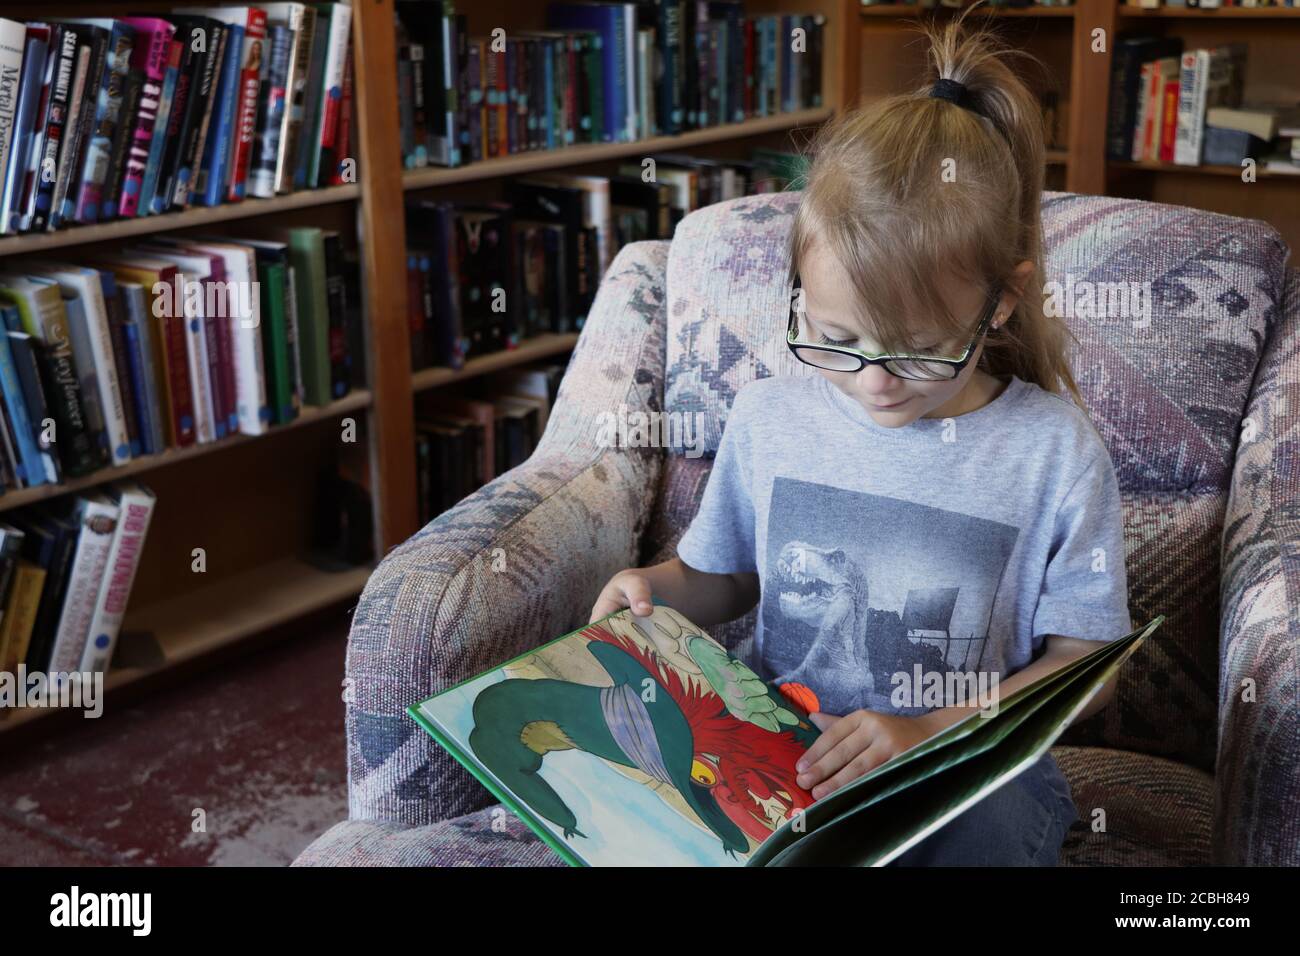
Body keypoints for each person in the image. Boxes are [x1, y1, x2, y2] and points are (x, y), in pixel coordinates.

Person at [589, 10, 1132, 866]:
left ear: (1000, 301)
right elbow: (724, 578)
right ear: (799, 288)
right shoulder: (771, 417)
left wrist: (927, 729)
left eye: (918, 348)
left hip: (969, 767)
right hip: (788, 756)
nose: (875, 380)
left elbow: (1089, 666)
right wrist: (653, 591)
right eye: (837, 339)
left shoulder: (1053, 451)